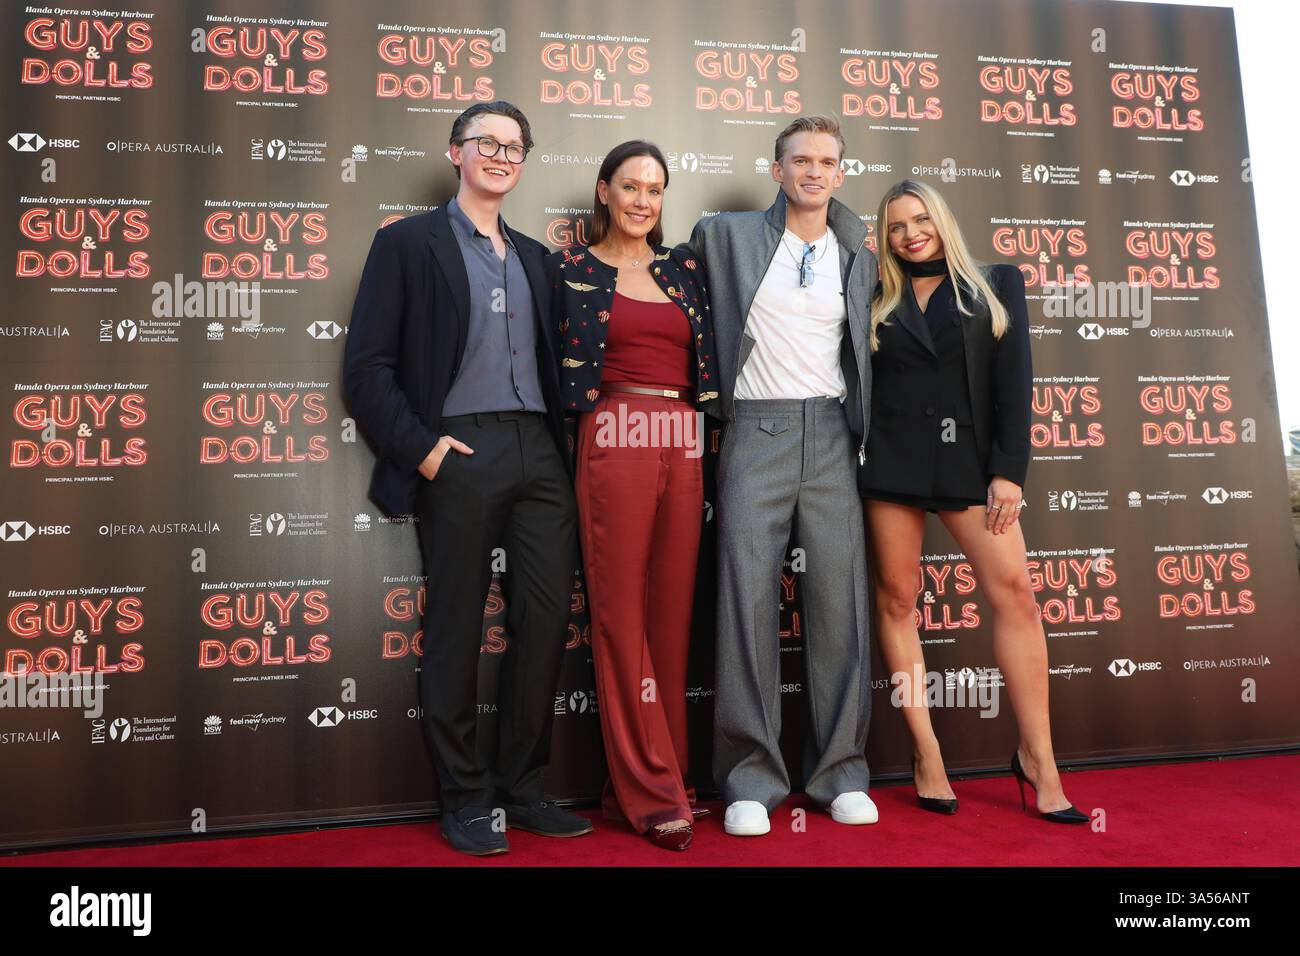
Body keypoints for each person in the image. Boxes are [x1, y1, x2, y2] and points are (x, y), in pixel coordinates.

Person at [343, 101, 593, 856]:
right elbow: (366, 369)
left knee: (545, 622)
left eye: (515, 146)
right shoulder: (409, 244)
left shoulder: (537, 260)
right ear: (456, 151)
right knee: (453, 628)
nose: (501, 154)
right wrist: (423, 451)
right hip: (459, 452)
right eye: (487, 141)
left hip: (539, 455)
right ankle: (464, 797)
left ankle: (522, 787)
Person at [860, 178, 1087, 823]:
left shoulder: (996, 282)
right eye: (897, 226)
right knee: (897, 601)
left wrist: (1009, 472)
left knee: (1014, 593)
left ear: (942, 218)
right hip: (892, 466)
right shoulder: (874, 293)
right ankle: (926, 752)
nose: (911, 233)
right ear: (885, 238)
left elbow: (1016, 383)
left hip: (970, 466)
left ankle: (1039, 758)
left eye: (920, 218)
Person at [683, 115, 879, 837]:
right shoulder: (723, 237)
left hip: (832, 435)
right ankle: (749, 780)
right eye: (801, 160)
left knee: (839, 607)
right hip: (753, 431)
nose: (815, 172)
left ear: (840, 172)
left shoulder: (859, 249)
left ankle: (840, 774)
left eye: (828, 161)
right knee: (744, 602)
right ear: (777, 170)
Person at [545, 141, 720, 851]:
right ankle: (651, 794)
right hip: (614, 427)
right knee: (619, 616)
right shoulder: (570, 270)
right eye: (630, 186)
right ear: (604, 191)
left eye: (654, 188)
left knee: (670, 617)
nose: (643, 200)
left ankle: (659, 775)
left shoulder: (685, 269)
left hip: (682, 433)